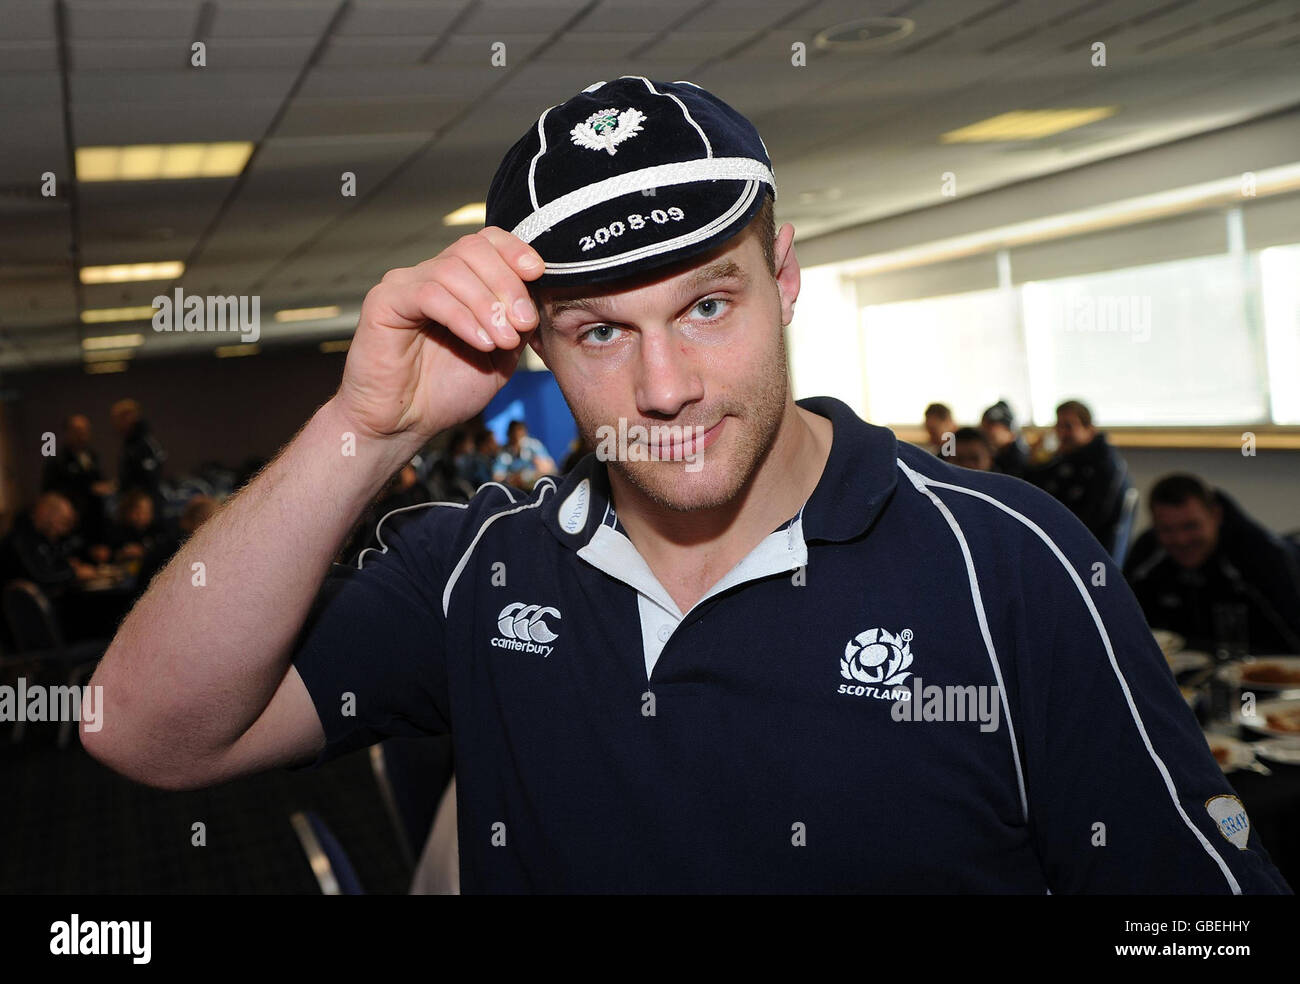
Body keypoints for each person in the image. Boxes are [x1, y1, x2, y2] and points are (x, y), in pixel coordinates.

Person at [83, 77, 1289, 895]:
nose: (666, 387)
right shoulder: (479, 567)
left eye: (706, 305)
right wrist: (363, 427)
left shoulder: (1006, 559)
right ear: (533, 350)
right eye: (600, 333)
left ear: (786, 275)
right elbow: (144, 734)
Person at [1125, 474, 1300, 655]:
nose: (1181, 540)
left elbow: (1294, 636)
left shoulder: (1260, 556)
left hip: (1259, 672)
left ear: (1216, 515)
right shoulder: (1146, 556)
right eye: (1166, 529)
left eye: (1190, 526)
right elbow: (1123, 628)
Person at [1026, 399, 1131, 554]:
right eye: (1058, 426)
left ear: (1089, 429)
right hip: (1057, 540)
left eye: (1068, 426)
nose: (1062, 433)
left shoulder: (1106, 466)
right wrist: (1035, 461)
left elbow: (1095, 519)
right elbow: (1033, 492)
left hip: (1086, 551)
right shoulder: (1066, 458)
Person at [42, 413, 112, 546]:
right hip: (70, 523)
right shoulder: (57, 461)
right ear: (68, 433)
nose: (82, 435)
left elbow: (98, 481)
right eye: (77, 431)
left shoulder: (91, 456)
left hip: (93, 522)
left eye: (85, 430)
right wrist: (88, 489)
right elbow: (50, 493)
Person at [111, 399, 167, 506]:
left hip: (145, 505)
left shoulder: (145, 443)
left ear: (129, 417)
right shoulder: (129, 443)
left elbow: (151, 478)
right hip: (131, 502)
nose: (115, 423)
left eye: (118, 418)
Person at [492, 420, 556, 489]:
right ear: (509, 435)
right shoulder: (504, 453)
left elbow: (548, 467)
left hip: (535, 485)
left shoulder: (533, 445)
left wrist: (533, 474)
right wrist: (512, 478)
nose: (517, 437)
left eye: (520, 433)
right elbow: (497, 476)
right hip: (514, 488)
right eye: (514, 434)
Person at [980, 400, 1029, 478]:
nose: (985, 433)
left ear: (1010, 432)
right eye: (983, 427)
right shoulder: (988, 456)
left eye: (991, 427)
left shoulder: (1023, 462)